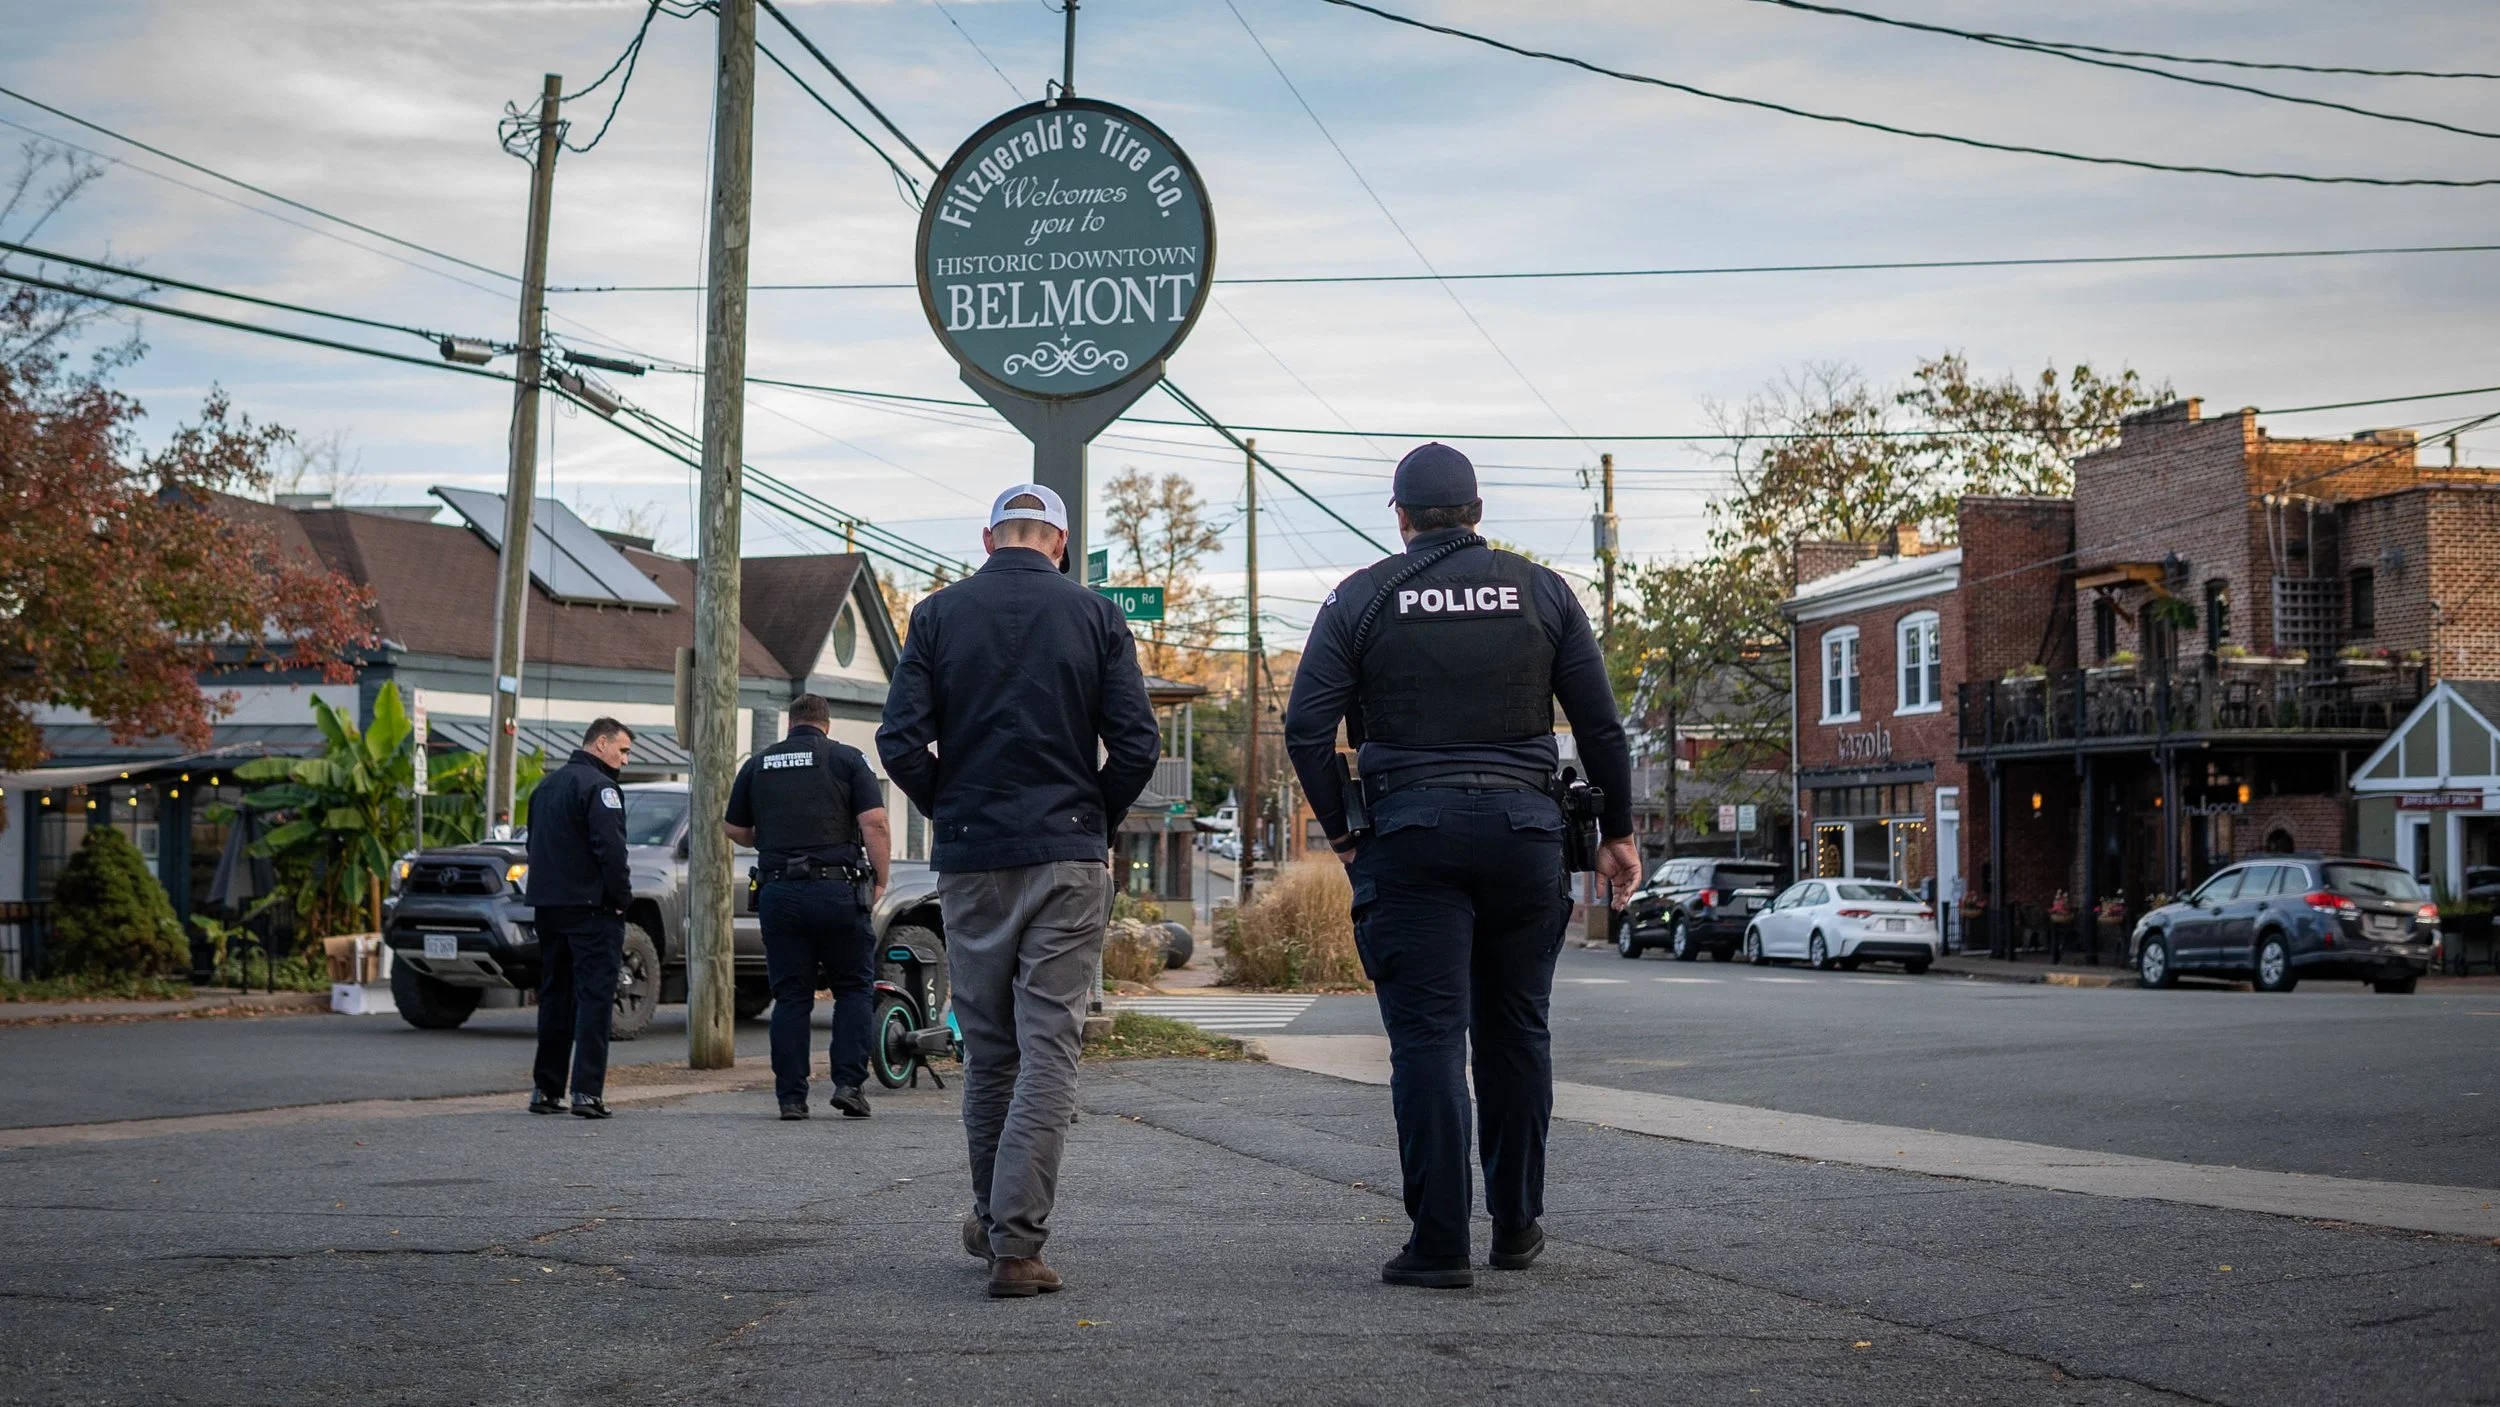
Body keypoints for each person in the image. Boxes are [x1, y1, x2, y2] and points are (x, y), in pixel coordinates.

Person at [1283, 443, 1640, 1289]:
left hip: (1411, 835)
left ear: (1401, 516)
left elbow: (1306, 728)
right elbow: (1602, 728)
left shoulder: (1360, 598)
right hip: (1526, 831)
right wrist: (1617, 831)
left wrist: (1343, 831)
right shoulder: (1543, 590)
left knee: (1430, 1040)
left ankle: (1439, 1243)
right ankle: (1516, 1225)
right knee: (1516, 1031)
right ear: (1478, 512)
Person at [878, 482, 1161, 1298]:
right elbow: (1136, 743)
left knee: (990, 1047)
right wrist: (1091, 819)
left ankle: (993, 1218)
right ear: (1061, 544)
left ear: (988, 537)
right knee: (1049, 1044)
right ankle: (1015, 1242)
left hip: (972, 856)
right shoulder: (1097, 616)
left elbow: (899, 740)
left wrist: (953, 808)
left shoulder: (936, 615)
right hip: (1067, 853)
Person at [723, 693, 892, 1121]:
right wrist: (882, 877)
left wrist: (770, 838)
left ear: (789, 724)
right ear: (826, 724)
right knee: (852, 988)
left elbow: (734, 828)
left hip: (780, 893)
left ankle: (791, 1098)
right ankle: (849, 1086)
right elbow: (874, 822)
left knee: (791, 996)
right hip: (838, 892)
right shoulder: (848, 759)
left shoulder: (758, 764)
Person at [526, 718, 638, 1120]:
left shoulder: (546, 787)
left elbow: (532, 845)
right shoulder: (601, 789)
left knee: (555, 997)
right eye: (622, 750)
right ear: (601, 743)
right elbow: (611, 850)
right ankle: (587, 1092)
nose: (624, 760)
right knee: (594, 999)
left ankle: (546, 1089)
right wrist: (622, 898)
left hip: (550, 908)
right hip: (593, 911)